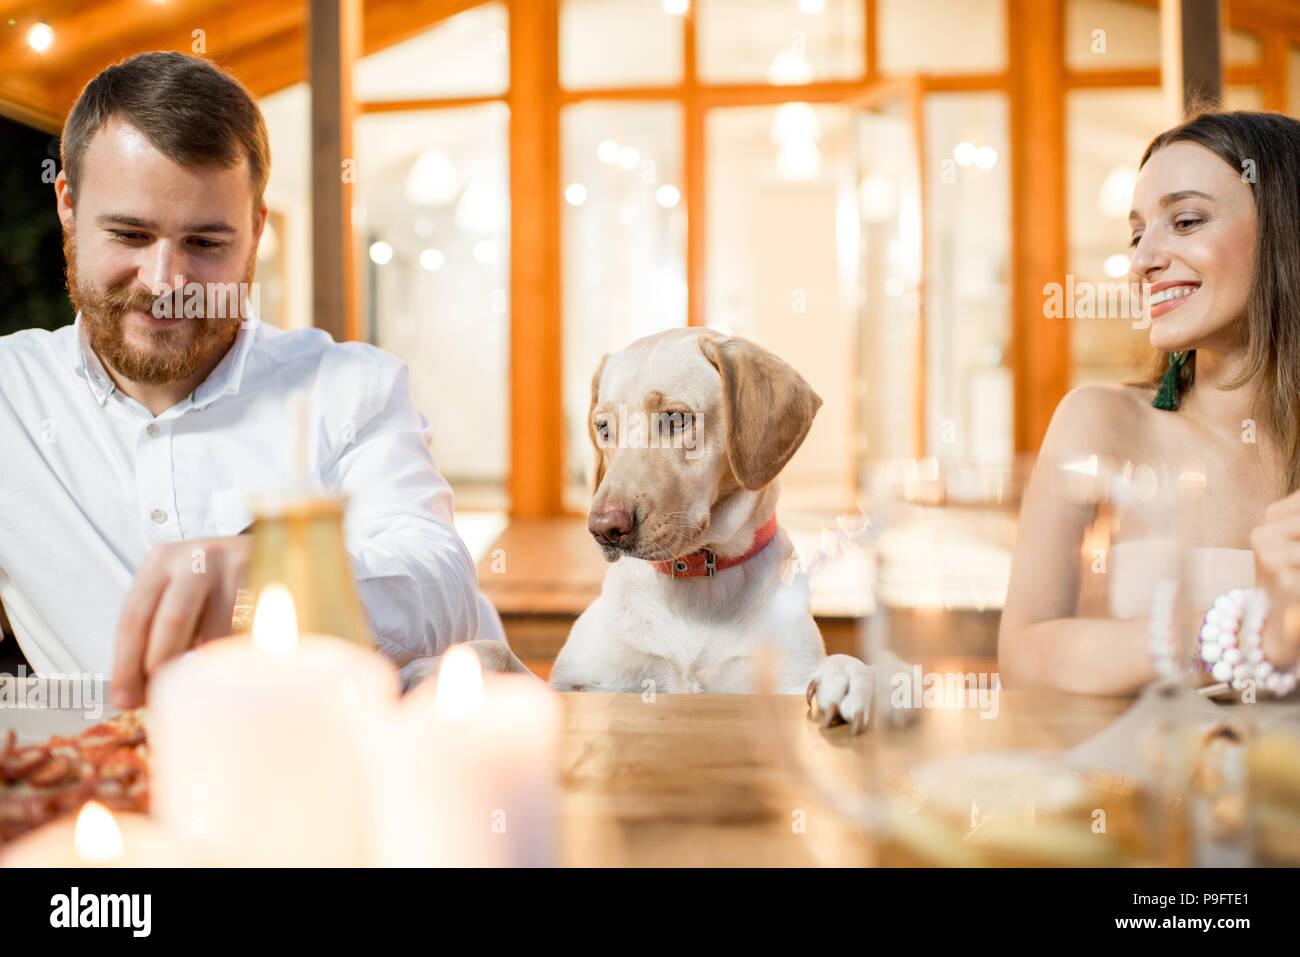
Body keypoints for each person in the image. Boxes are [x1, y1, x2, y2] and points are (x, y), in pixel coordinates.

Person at [0, 51, 501, 709]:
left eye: (205, 243)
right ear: (67, 203)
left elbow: (442, 585)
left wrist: (287, 581)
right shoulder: (13, 399)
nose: (164, 283)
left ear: (256, 229)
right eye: (129, 233)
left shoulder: (350, 388)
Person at [999, 110, 1300, 696]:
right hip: (1139, 783)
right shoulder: (1100, 422)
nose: (1142, 261)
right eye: (1138, 235)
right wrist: (1240, 634)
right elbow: (1027, 653)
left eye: (1185, 221)